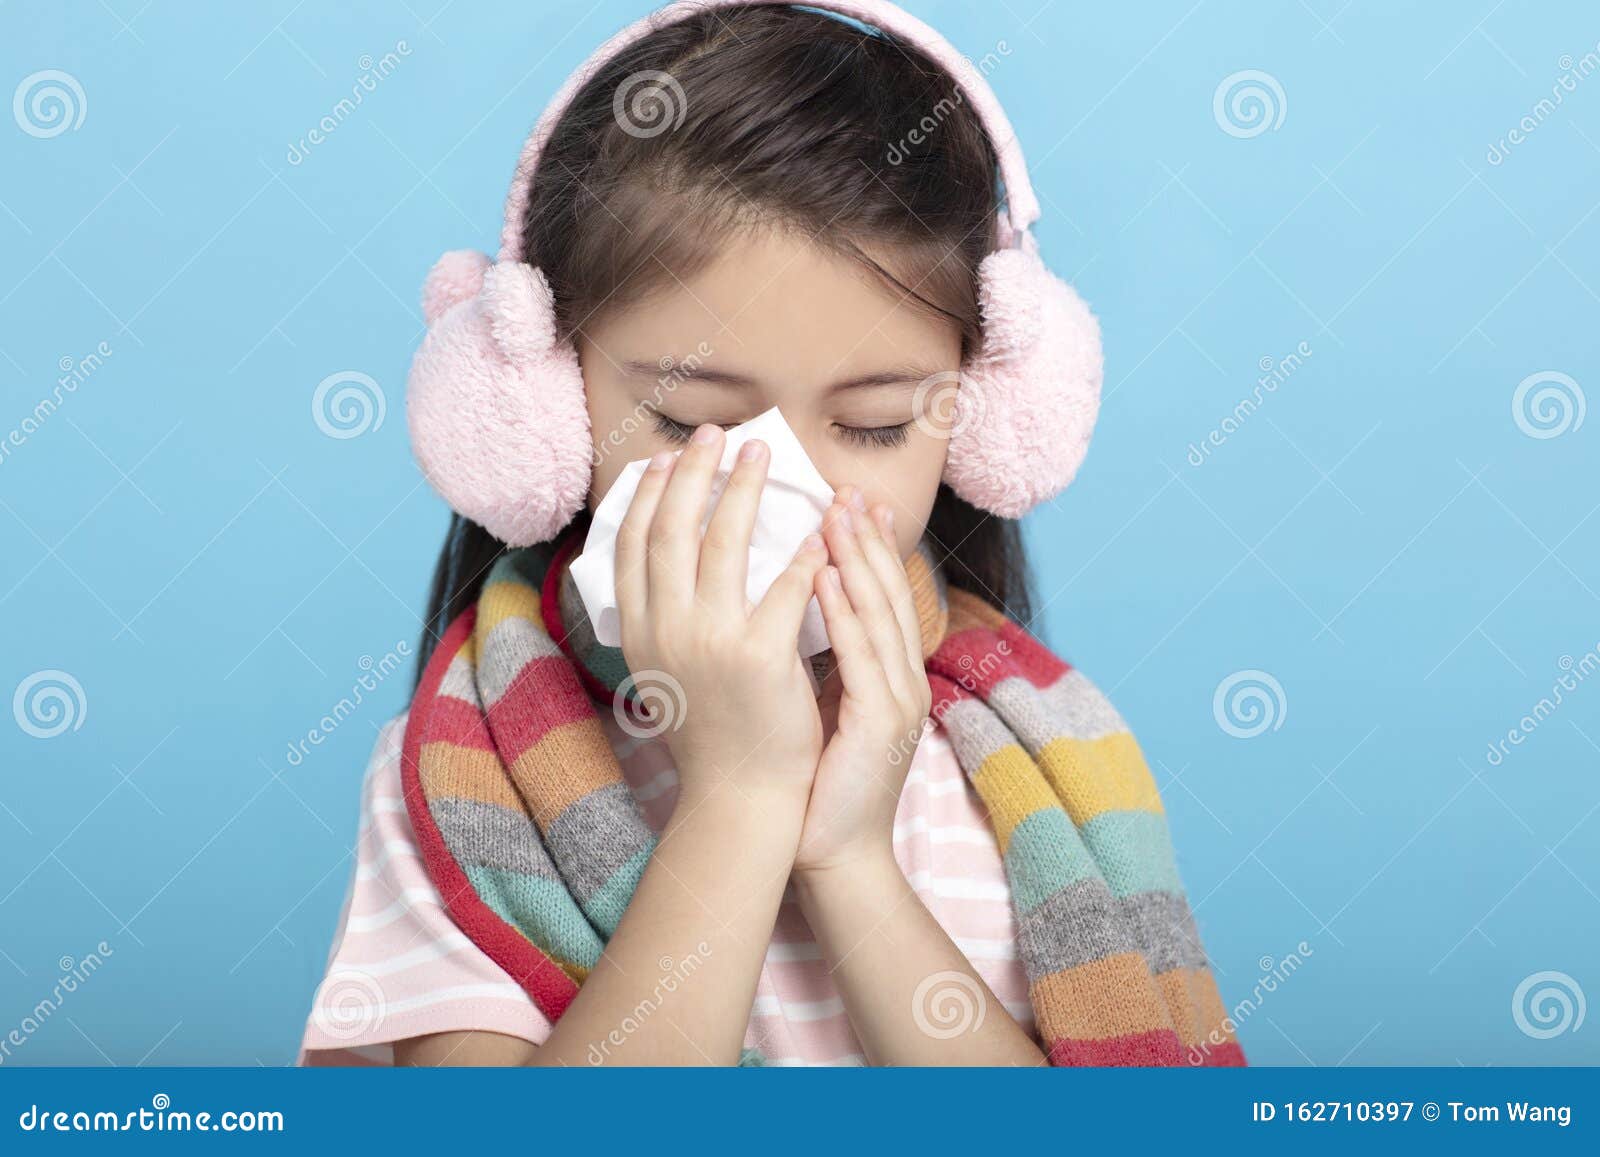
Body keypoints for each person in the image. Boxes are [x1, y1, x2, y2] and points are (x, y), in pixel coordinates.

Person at [299, 0, 1242, 1068]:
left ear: (972, 420)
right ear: (544, 410)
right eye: (693, 423)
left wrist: (850, 863)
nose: (777, 493)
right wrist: (738, 800)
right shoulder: (473, 770)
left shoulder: (1046, 760)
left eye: (875, 424)